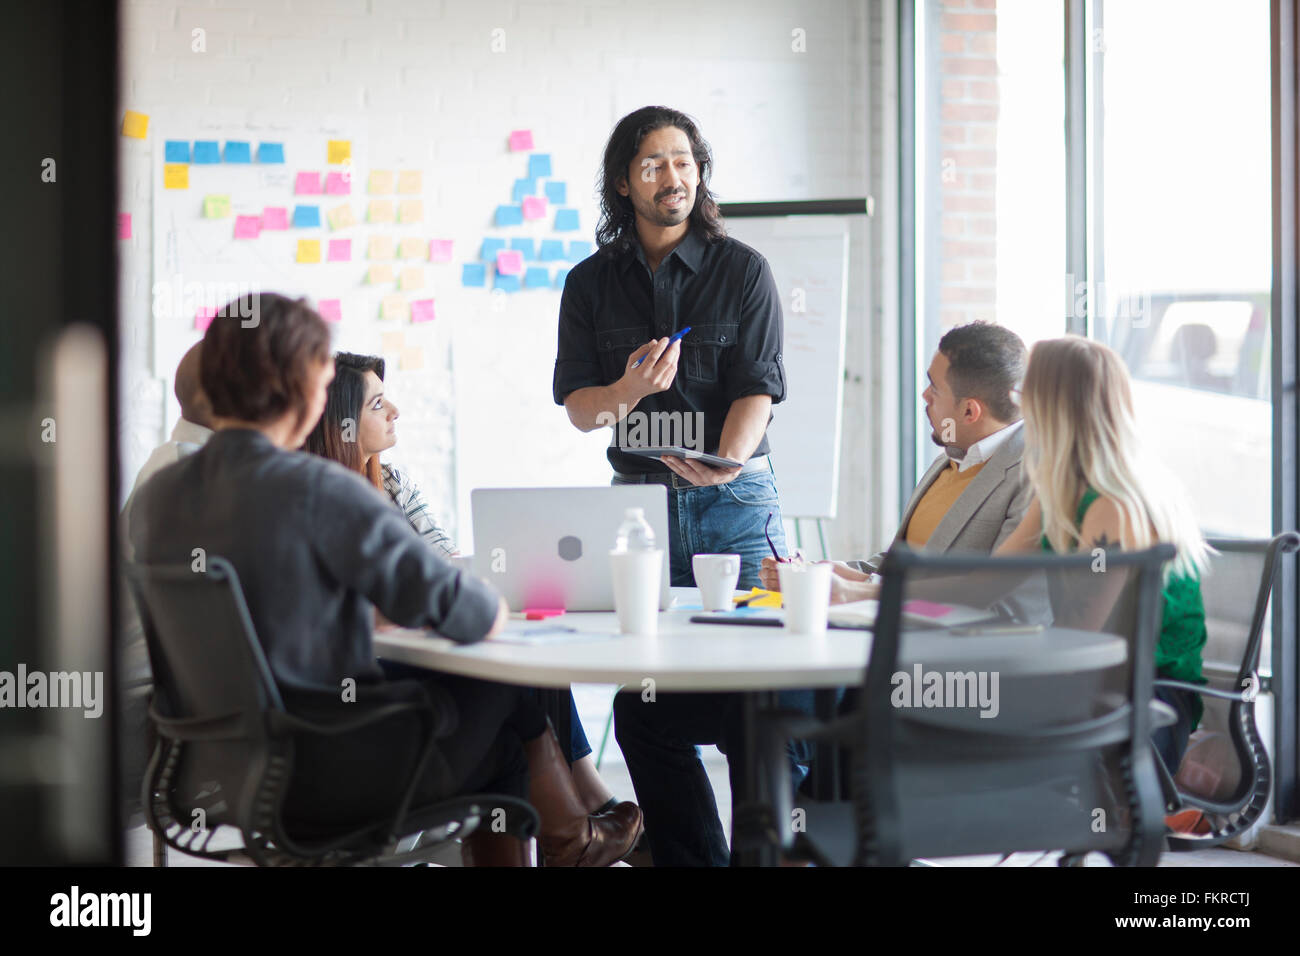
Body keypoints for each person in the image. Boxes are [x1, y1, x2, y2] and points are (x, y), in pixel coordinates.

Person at [126, 293, 640, 867]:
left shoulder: (156, 498)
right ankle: (569, 834)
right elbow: (470, 613)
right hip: (326, 776)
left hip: (202, 767)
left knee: (498, 705)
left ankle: (571, 832)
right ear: (299, 390)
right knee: (506, 703)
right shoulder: (320, 490)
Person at [554, 105, 811, 866]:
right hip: (640, 514)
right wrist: (626, 391)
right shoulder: (589, 284)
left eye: (685, 160)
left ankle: (768, 856)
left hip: (736, 506)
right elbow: (578, 408)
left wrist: (722, 466)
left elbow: (757, 388)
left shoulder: (743, 270)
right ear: (623, 182)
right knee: (647, 707)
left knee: (765, 697)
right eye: (655, 163)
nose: (674, 176)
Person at [303, 351, 636, 820]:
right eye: (377, 404)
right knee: (512, 684)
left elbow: (441, 562)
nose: (395, 410)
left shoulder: (391, 483)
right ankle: (585, 818)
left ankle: (585, 814)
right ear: (341, 425)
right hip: (374, 684)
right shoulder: (325, 503)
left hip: (409, 658)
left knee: (525, 667)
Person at [761, 321, 1044, 627]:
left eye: (934, 388)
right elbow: (909, 565)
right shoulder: (950, 459)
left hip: (976, 650)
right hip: (903, 631)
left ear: (969, 412)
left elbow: (990, 592)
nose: (925, 395)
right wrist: (825, 573)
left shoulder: (1034, 474)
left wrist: (854, 592)